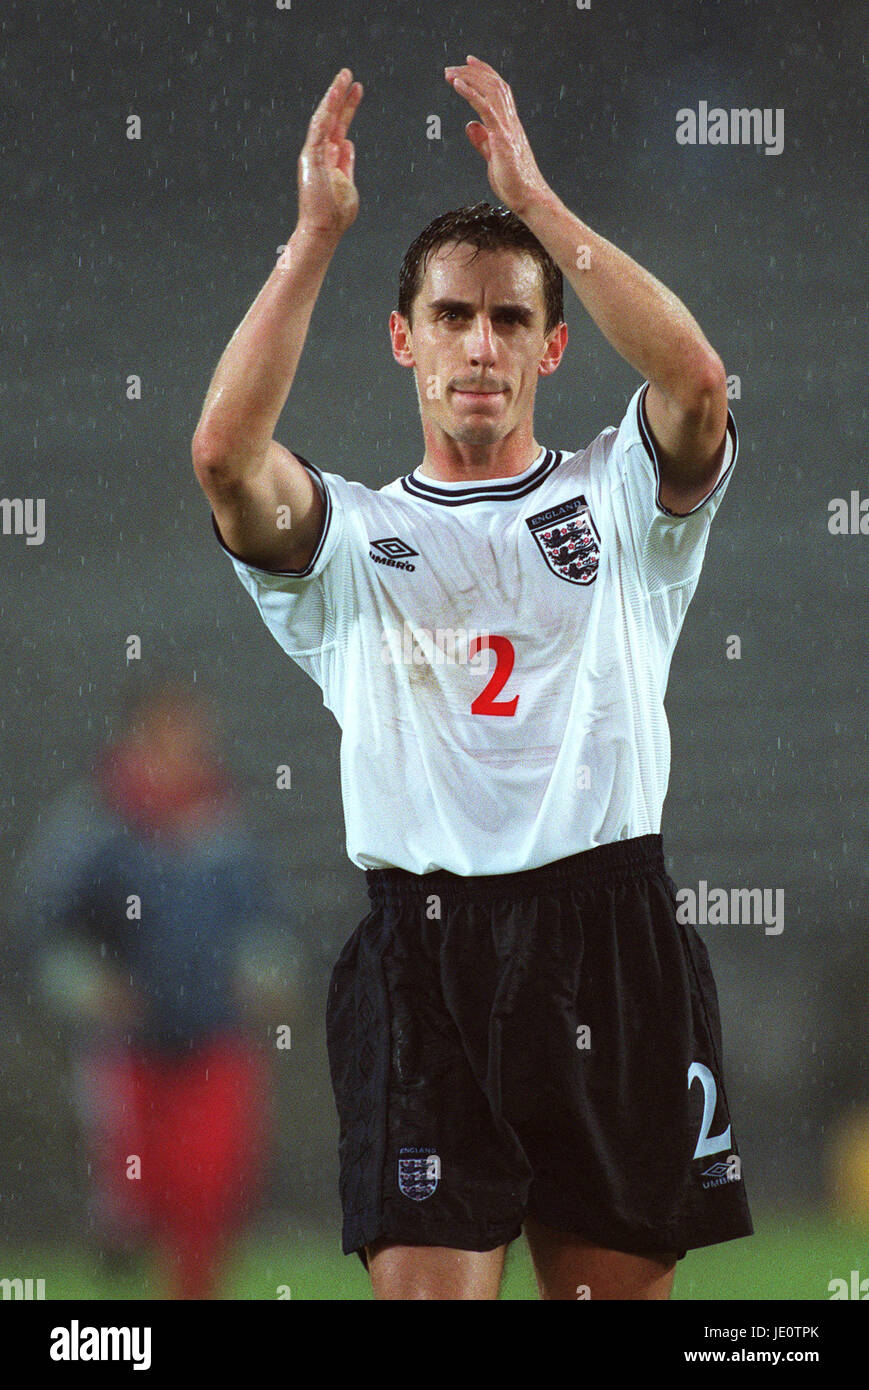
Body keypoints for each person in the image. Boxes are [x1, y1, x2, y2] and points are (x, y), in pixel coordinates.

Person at [191, 57, 753, 1300]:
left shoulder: (618, 496)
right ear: (404, 339)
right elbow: (225, 456)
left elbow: (697, 383)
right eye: (451, 314)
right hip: (423, 959)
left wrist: (538, 205)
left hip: (608, 939)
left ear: (555, 345)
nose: (479, 344)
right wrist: (314, 234)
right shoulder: (348, 538)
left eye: (510, 318)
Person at [13, 678, 289, 1298]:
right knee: (137, 1192)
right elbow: (45, 930)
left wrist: (266, 977)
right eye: (166, 736)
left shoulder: (225, 832)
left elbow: (264, 923)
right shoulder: (94, 831)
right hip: (130, 1049)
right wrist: (90, 986)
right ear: (135, 740)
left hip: (215, 1042)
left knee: (211, 1190)